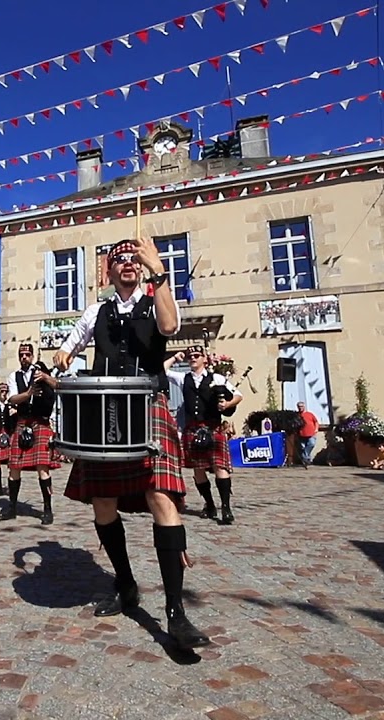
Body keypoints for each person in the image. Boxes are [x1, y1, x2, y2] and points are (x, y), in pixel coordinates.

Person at [52, 237, 209, 650]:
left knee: (162, 498)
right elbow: (71, 343)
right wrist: (64, 356)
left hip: (148, 403)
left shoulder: (156, 299)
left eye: (132, 259)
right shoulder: (96, 310)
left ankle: (176, 612)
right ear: (108, 270)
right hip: (105, 410)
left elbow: (171, 327)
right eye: (119, 260)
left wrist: (158, 270)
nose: (127, 264)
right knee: (103, 503)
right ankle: (126, 586)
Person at [163, 347, 242, 525]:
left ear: (205, 359)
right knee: (198, 471)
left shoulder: (217, 378)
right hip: (192, 429)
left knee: (220, 468)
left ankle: (226, 508)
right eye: (190, 357)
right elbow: (163, 370)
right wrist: (175, 357)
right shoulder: (184, 378)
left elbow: (238, 395)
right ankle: (210, 504)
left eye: (196, 356)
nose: (192, 359)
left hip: (213, 428)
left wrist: (227, 404)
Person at [2, 345, 60, 524]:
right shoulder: (14, 376)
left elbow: (59, 386)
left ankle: (47, 509)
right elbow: (11, 399)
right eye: (21, 355)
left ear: (33, 356)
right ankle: (11, 507)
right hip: (22, 422)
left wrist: (45, 376)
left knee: (43, 467)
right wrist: (27, 394)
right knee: (14, 467)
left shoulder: (41, 372)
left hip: (40, 423)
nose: (24, 357)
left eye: (27, 355)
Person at [296, 401, 319, 468]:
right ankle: (307, 460)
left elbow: (316, 422)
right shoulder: (297, 415)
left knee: (311, 444)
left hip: (311, 434)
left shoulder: (310, 414)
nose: (300, 408)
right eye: (299, 406)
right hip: (301, 435)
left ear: (304, 407)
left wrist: (316, 429)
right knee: (302, 447)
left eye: (302, 406)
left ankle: (305, 458)